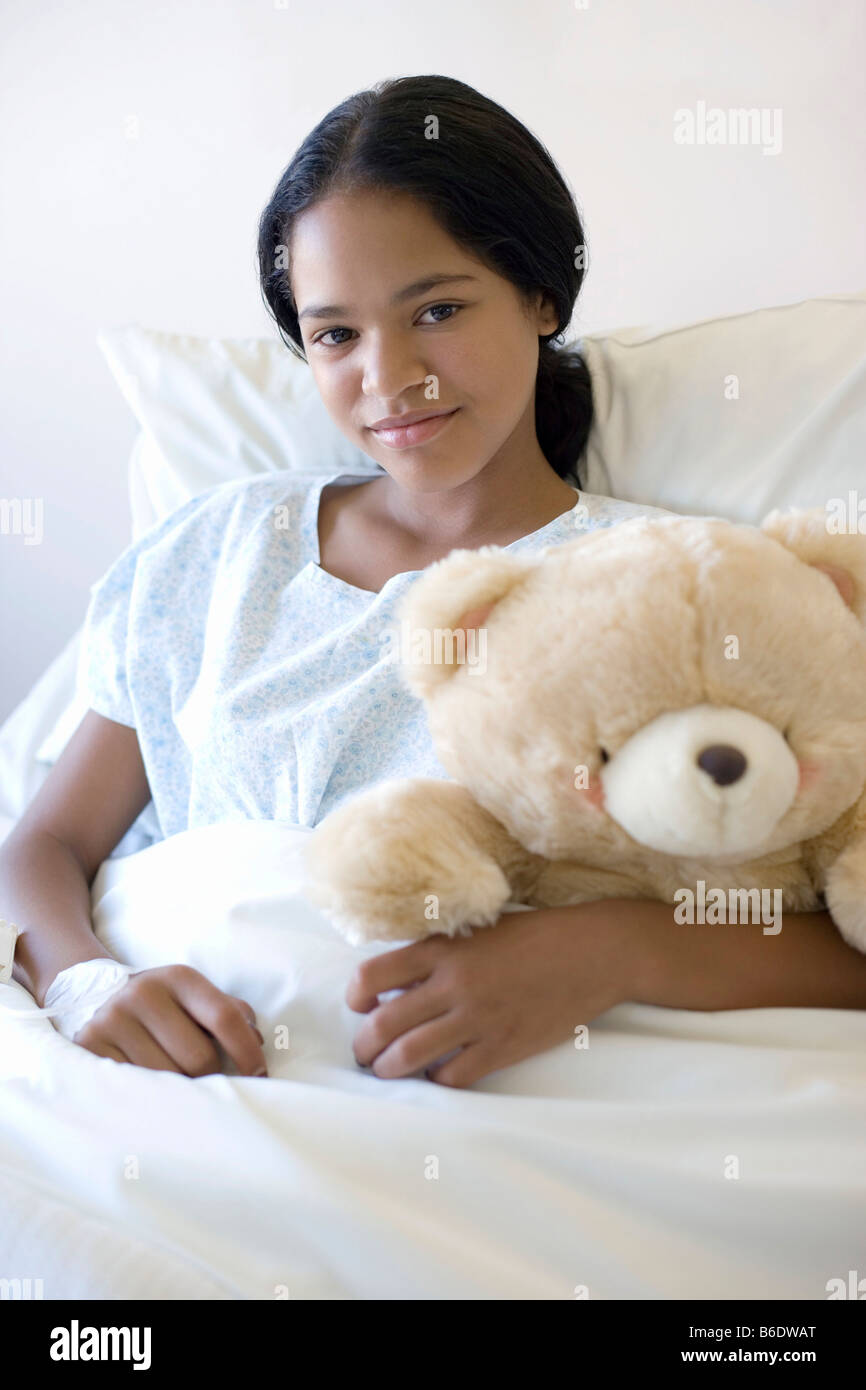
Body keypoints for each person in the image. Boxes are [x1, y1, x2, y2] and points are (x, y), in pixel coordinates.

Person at [3, 76, 865, 1090]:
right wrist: (85, 981)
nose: (389, 375)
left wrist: (611, 946)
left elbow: (825, 923)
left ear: (540, 297)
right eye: (335, 334)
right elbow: (46, 843)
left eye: (438, 310)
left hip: (467, 1119)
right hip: (171, 1089)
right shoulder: (218, 549)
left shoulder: (680, 592)